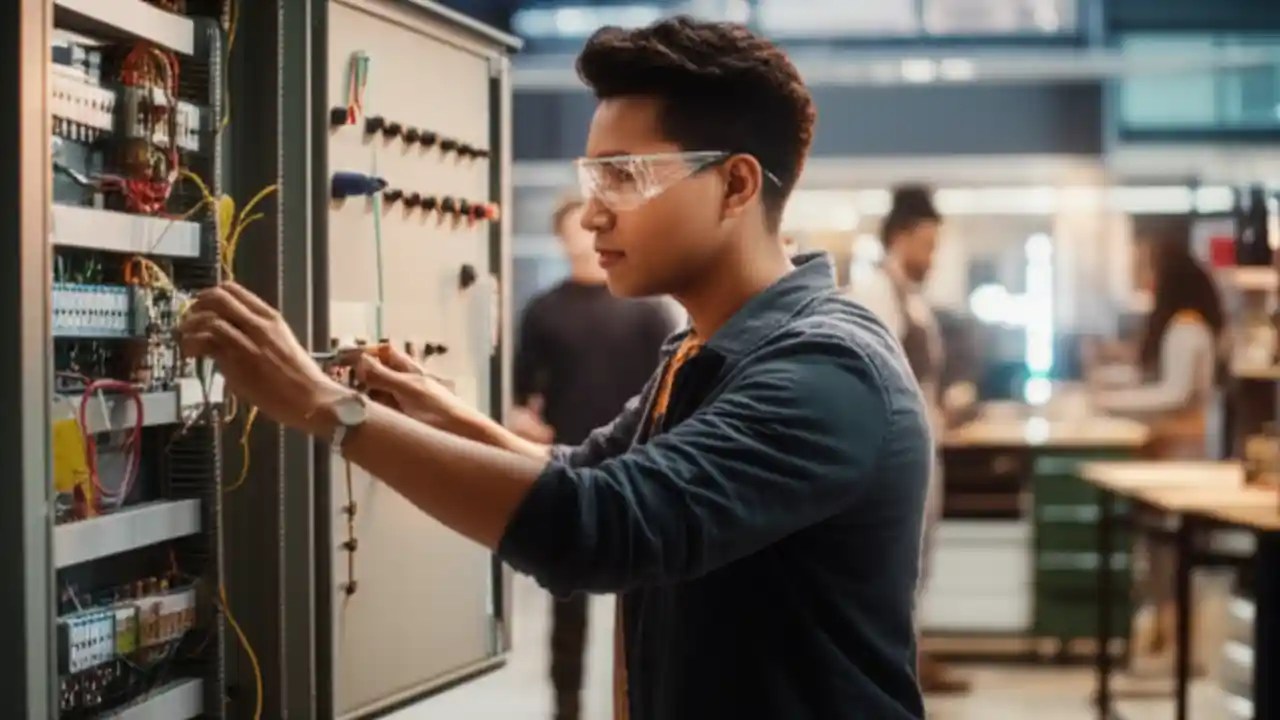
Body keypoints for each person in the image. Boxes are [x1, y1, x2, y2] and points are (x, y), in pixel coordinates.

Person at [178, 16, 932, 719]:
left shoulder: (827, 369)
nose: (594, 213)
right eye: (590, 177)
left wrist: (322, 407)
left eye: (624, 177)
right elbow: (579, 470)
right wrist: (434, 409)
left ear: (736, 185)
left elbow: (598, 530)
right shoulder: (699, 349)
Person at [511, 196, 674, 720]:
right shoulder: (543, 311)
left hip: (640, 470)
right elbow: (521, 390)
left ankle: (645, 703)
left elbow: (673, 385)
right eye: (572, 230)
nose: (584, 237)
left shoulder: (648, 308)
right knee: (568, 598)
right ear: (561, 238)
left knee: (648, 603)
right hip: (570, 469)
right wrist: (521, 418)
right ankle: (567, 706)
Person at [845, 186, 970, 694]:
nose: (932, 256)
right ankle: (888, 667)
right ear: (899, 238)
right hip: (894, 452)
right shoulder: (876, 292)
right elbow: (876, 375)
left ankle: (908, 657)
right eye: (926, 243)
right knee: (897, 561)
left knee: (918, 560)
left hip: (923, 442)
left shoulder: (913, 298)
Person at [1090, 233, 1225, 666]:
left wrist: (1112, 403)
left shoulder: (1186, 328)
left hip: (1181, 458)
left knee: (1171, 560)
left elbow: (1173, 393)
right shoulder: (1185, 327)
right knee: (1164, 560)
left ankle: (1177, 651)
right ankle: (1169, 646)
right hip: (1174, 453)